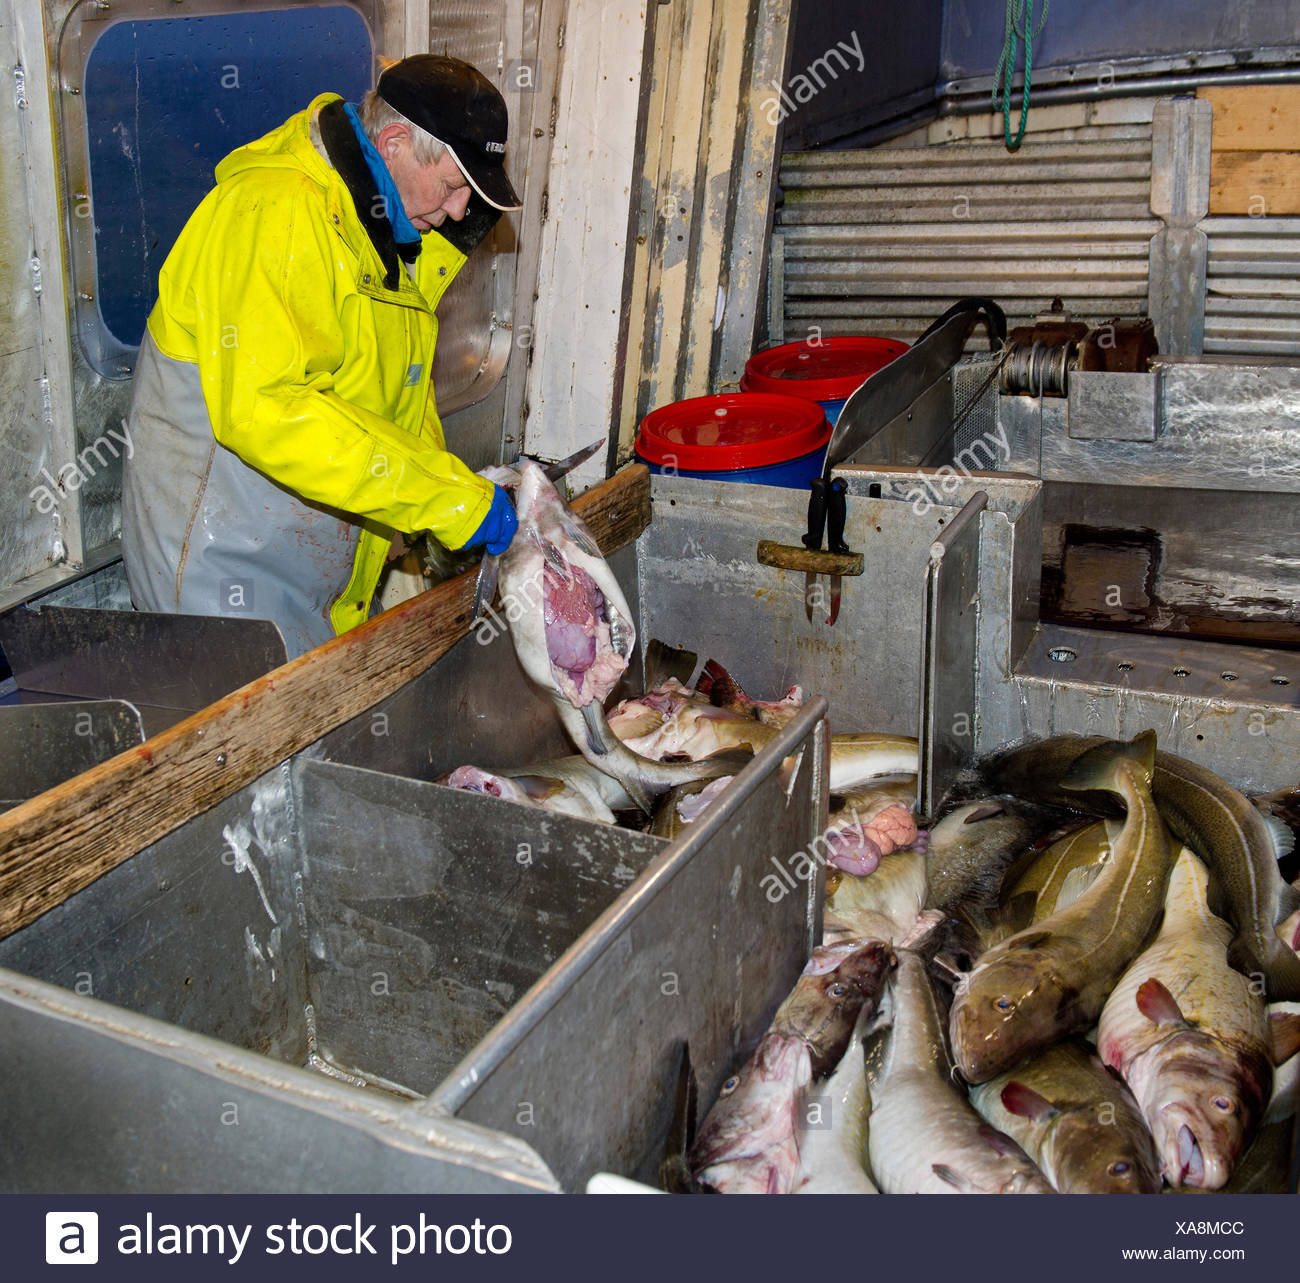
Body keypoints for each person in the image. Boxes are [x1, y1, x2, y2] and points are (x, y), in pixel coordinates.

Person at [121, 55, 522, 658]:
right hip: (220, 572)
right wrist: (447, 500)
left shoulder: (386, 237)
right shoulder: (272, 212)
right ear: (393, 144)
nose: (463, 211)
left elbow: (399, 405)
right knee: (249, 750)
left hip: (308, 567)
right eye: (452, 185)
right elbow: (270, 410)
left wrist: (441, 503)